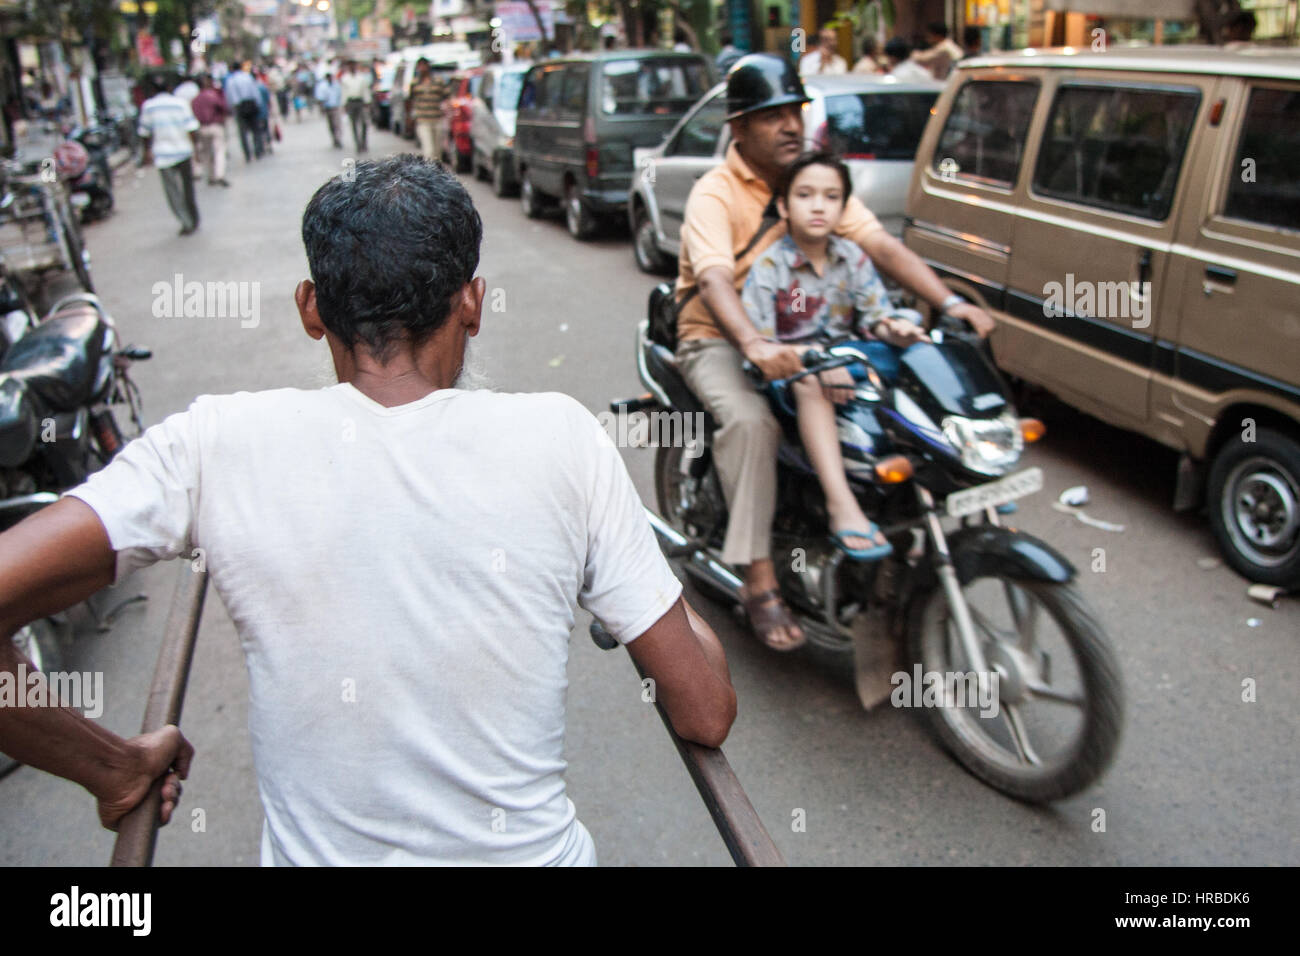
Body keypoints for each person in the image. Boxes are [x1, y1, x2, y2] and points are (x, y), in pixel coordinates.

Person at [0, 155, 736, 864]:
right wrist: (637, 579)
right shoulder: (564, 438)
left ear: (311, 310)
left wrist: (111, 767)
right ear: (472, 304)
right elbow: (705, 710)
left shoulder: (212, 442)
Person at [674, 55, 993, 651]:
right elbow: (715, 281)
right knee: (752, 424)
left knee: (894, 407)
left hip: (809, 340)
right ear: (738, 128)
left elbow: (881, 249)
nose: (790, 125)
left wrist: (948, 305)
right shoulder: (713, 194)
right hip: (717, 337)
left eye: (794, 110)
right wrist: (755, 343)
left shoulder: (815, 182)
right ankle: (760, 579)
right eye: (771, 116)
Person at [741, 151, 931, 560]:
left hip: (850, 364)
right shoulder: (770, 267)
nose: (817, 205)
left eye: (831, 197)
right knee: (811, 381)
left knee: (919, 356)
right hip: (793, 377)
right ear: (783, 205)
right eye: (805, 195)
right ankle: (840, 505)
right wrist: (815, 360)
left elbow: (876, 316)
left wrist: (894, 329)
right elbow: (763, 348)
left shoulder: (853, 258)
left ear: (843, 207)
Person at [137, 75, 200, 235]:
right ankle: (193, 218)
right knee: (188, 189)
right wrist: (196, 150)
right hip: (183, 150)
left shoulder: (149, 106)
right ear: (169, 89)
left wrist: (146, 152)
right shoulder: (180, 104)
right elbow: (191, 128)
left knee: (173, 191)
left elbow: (144, 133)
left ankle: (187, 221)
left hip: (163, 154)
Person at [191, 74, 231, 187]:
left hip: (202, 127)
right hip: (215, 126)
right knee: (219, 151)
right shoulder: (212, 95)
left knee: (207, 152)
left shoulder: (195, 100)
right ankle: (219, 175)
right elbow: (223, 107)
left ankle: (211, 176)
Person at [407, 58, 448, 164]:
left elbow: (447, 96)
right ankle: (430, 173)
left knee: (437, 152)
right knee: (429, 151)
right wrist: (410, 117)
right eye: (420, 66)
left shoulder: (438, 81)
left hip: (437, 119)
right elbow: (409, 101)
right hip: (423, 120)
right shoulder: (415, 83)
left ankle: (437, 173)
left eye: (424, 65)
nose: (422, 68)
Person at [223, 60, 262, 162]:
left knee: (243, 132)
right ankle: (258, 150)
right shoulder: (247, 77)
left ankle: (247, 154)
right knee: (255, 129)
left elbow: (230, 97)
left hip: (239, 106)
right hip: (251, 103)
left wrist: (231, 109)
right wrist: (258, 104)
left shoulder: (231, 81)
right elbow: (255, 92)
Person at [339, 59, 371, 152]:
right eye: (350, 65)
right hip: (351, 102)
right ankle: (358, 144)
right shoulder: (345, 78)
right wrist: (344, 104)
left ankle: (364, 143)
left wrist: (367, 101)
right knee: (353, 124)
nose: (352, 67)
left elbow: (365, 90)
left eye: (353, 65)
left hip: (360, 102)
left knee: (364, 123)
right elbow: (344, 92)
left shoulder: (361, 77)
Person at [315, 71, 343, 148]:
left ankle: (338, 138)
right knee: (331, 125)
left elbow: (340, 95)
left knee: (337, 124)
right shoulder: (322, 86)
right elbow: (320, 98)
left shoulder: (336, 85)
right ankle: (334, 138)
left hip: (336, 107)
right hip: (328, 108)